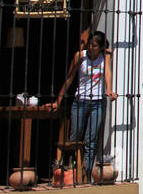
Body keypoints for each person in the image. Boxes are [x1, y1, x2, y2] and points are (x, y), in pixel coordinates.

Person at [49, 30, 116, 178]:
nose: (91, 48)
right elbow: (69, 78)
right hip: (80, 101)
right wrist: (58, 102)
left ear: (101, 47)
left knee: (91, 139)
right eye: (90, 45)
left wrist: (109, 90)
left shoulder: (105, 56)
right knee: (75, 137)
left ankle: (85, 174)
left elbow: (107, 73)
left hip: (98, 102)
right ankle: (71, 170)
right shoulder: (80, 56)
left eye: (95, 46)